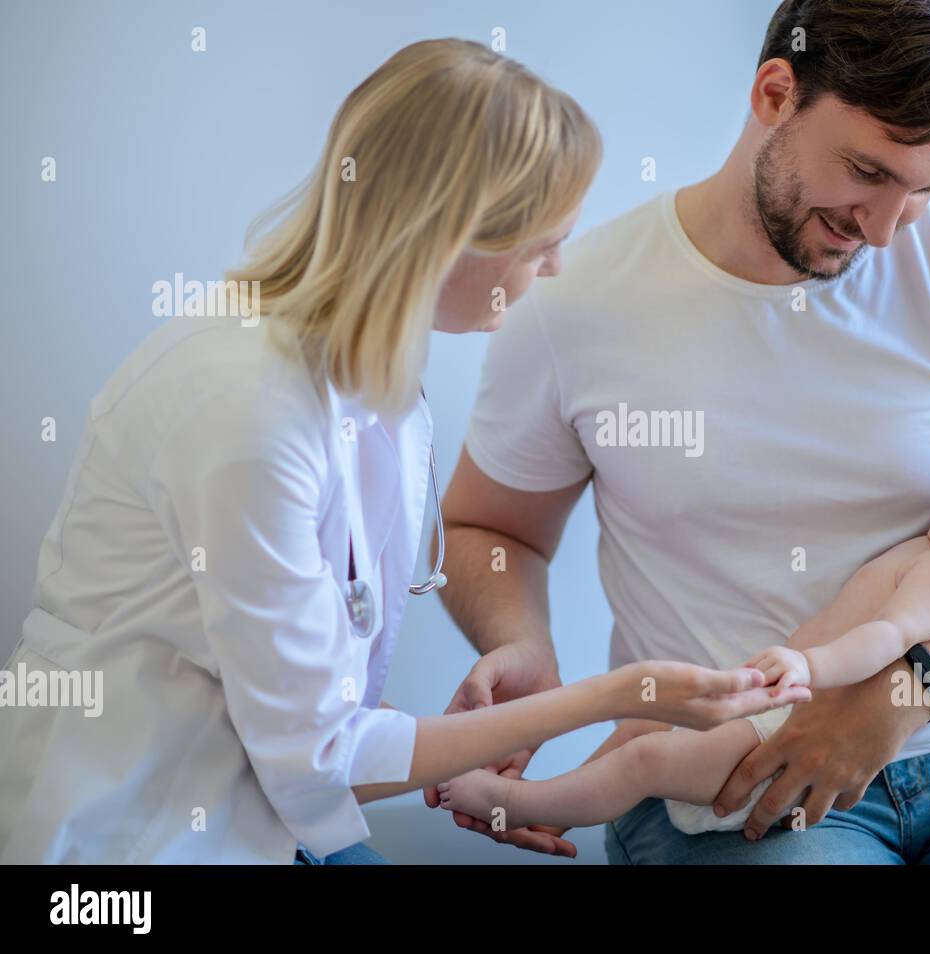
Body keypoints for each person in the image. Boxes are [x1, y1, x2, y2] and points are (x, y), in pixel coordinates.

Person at [0, 39, 805, 865]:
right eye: (541, 244)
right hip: (127, 845)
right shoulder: (243, 409)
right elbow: (318, 759)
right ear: (449, 236)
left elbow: (311, 716)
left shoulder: (369, 384)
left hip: (261, 814)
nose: (556, 267)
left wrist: (484, 728)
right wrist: (614, 697)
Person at [434, 0, 930, 863]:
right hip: (726, 768)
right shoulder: (571, 298)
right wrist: (522, 645)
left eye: (926, 191)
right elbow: (488, 527)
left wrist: (900, 696)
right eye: (867, 171)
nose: (884, 229)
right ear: (775, 93)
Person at [436, 432, 930, 835]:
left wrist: (809, 666)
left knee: (646, 761)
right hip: (782, 701)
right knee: (643, 724)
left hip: (799, 720)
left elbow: (889, 639)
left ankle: (519, 803)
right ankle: (560, 805)